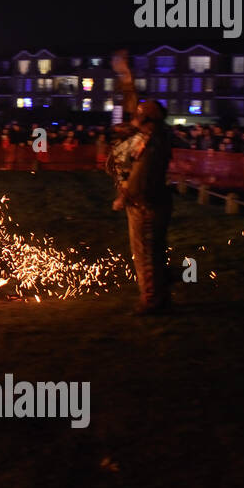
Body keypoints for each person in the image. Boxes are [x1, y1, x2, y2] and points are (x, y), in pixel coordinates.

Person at [110, 51, 174, 315]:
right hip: (148, 204)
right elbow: (132, 103)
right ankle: (161, 294)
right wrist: (127, 77)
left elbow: (141, 174)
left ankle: (151, 302)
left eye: (138, 115)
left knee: (146, 255)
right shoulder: (150, 134)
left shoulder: (151, 142)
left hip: (145, 206)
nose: (132, 117)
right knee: (153, 253)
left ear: (147, 120)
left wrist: (124, 196)